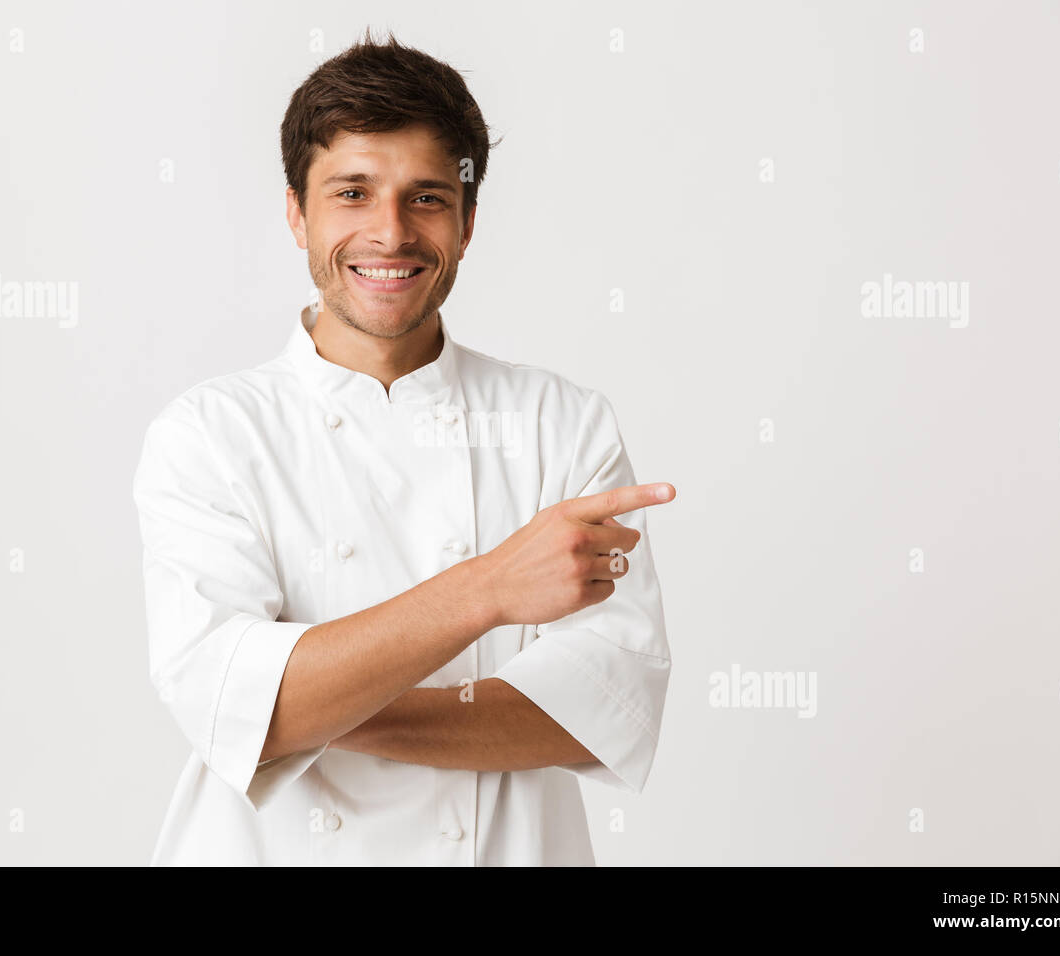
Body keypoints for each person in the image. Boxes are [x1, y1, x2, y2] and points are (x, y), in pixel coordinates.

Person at [132, 29, 676, 866]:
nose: (390, 234)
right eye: (352, 192)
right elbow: (242, 708)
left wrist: (304, 703)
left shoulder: (562, 425)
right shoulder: (210, 435)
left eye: (426, 197)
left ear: (466, 221)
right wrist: (491, 586)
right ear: (295, 213)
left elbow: (597, 707)